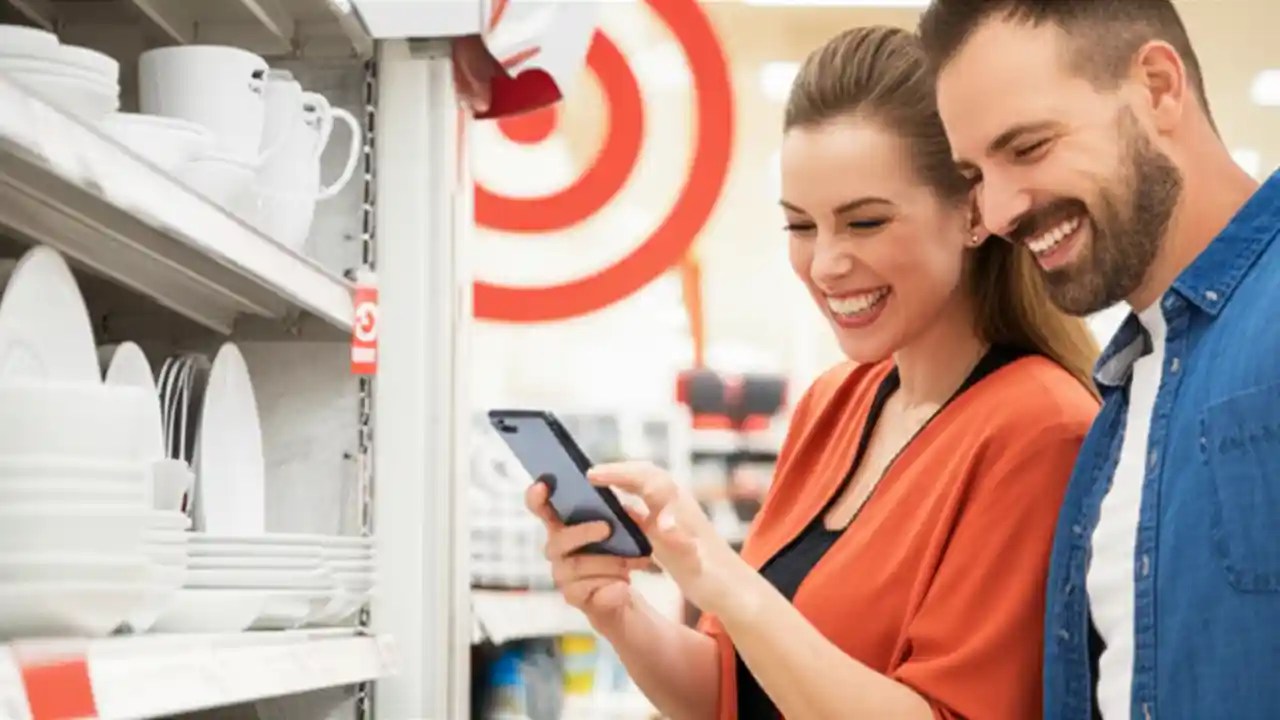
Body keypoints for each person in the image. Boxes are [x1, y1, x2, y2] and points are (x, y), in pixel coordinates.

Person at [525, 26, 1101, 720]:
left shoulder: (1041, 431)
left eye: (865, 223)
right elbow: (734, 692)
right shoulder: (837, 402)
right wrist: (617, 611)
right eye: (801, 227)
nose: (825, 264)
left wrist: (725, 581)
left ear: (973, 212)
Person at [918, 1, 1280, 718]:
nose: (999, 212)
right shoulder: (1120, 409)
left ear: (1157, 88)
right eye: (975, 174)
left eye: (1028, 148)